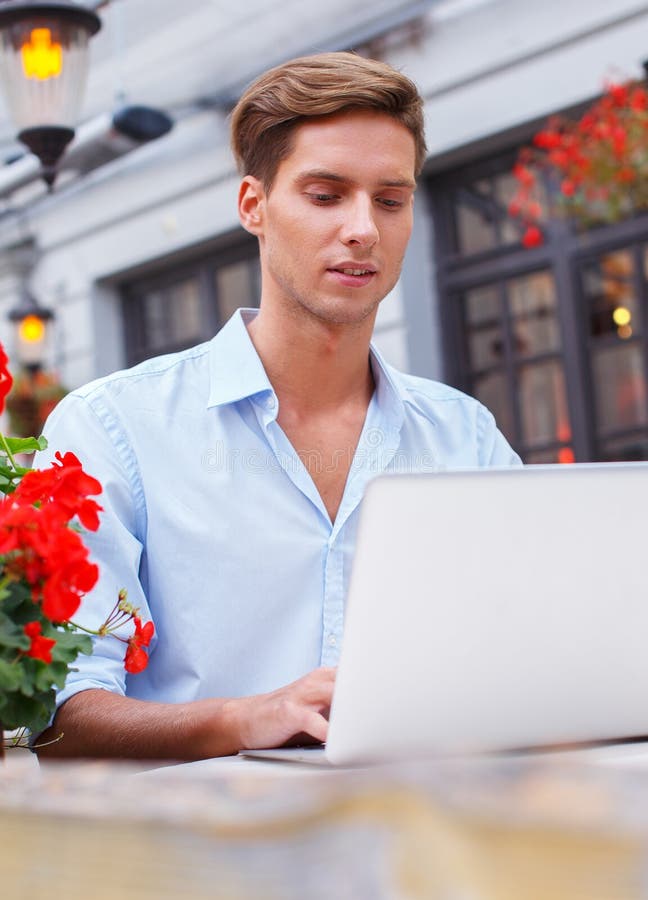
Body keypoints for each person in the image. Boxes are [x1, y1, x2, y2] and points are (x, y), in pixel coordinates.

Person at [36, 52, 520, 760]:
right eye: (326, 195)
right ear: (253, 206)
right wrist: (242, 720)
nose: (364, 228)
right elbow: (60, 713)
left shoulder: (464, 436)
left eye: (390, 200)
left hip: (426, 821)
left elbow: (528, 647)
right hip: (199, 829)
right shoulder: (112, 429)